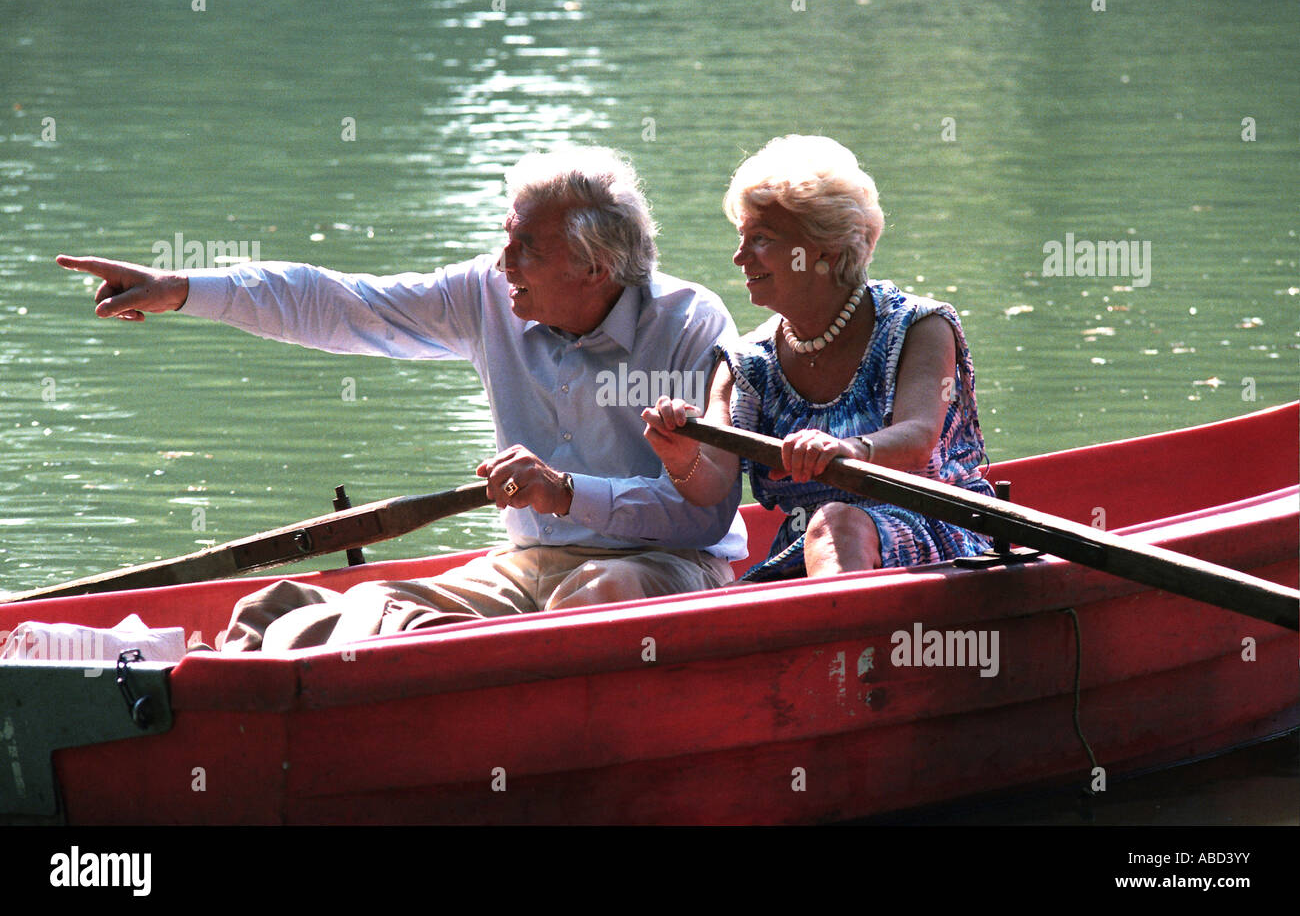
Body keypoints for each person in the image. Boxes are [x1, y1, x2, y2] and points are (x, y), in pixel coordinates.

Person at [58, 146, 745, 651]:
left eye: (525, 249)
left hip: (662, 566)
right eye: (505, 239)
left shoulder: (690, 324)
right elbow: (336, 303)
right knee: (366, 605)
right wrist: (182, 289)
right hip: (529, 566)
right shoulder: (489, 294)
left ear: (595, 267)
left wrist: (566, 492)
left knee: (594, 600)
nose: (502, 263)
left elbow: (706, 518)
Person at [642, 135, 993, 581]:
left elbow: (918, 439)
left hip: (937, 532)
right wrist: (680, 453)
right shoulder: (744, 363)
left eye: (762, 239)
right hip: (809, 549)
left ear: (823, 250)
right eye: (741, 238)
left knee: (836, 523)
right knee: (827, 529)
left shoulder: (919, 327)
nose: (739, 257)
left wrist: (847, 449)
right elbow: (709, 483)